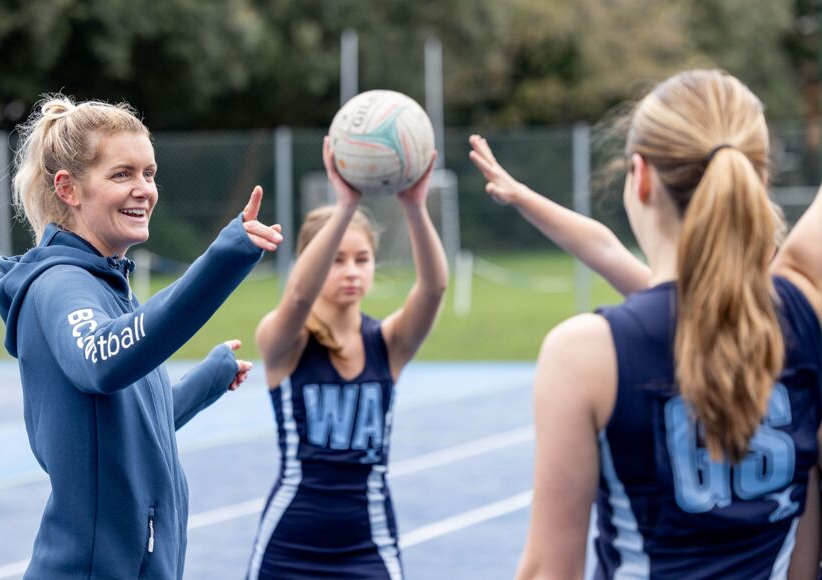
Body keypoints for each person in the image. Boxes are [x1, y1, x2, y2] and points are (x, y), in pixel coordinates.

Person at [474, 69, 822, 578]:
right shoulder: (802, 309)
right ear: (759, 179)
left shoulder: (586, 355)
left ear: (639, 176)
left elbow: (550, 570)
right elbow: (610, 252)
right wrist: (524, 197)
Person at [0, 95, 283, 579]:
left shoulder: (108, 285)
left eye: (149, 174)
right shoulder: (59, 284)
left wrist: (206, 381)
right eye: (122, 174)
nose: (143, 189)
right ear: (68, 188)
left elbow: (125, 427)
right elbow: (104, 362)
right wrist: (222, 260)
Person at [245, 137, 447, 579]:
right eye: (336, 260)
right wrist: (346, 207)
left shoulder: (387, 342)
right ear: (313, 263)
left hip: (368, 539)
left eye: (362, 259)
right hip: (290, 543)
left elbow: (433, 290)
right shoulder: (285, 341)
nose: (352, 271)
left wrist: (414, 206)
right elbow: (298, 295)